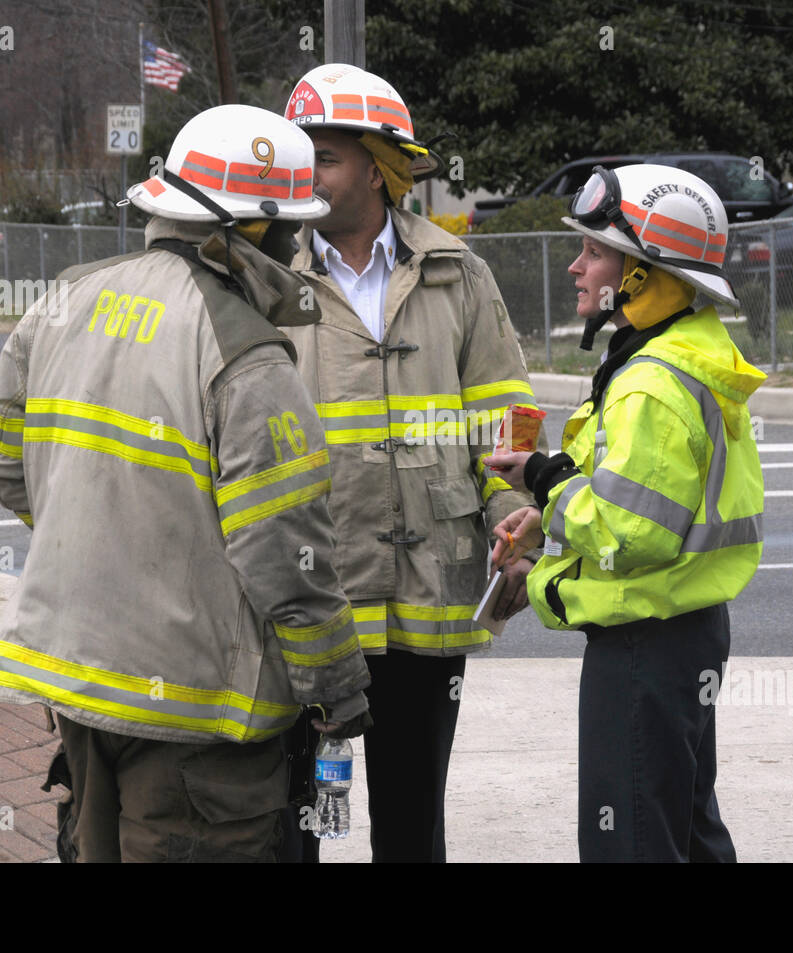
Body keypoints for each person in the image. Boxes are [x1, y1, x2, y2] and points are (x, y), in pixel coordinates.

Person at [0, 104, 371, 863]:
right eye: (290, 226)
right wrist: (335, 681)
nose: (298, 244)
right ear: (249, 231)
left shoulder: (64, 301)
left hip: (81, 690)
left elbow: (2, 464)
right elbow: (287, 551)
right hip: (199, 720)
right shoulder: (246, 351)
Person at [277, 63, 543, 863]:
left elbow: (505, 418)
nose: (307, 173)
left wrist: (517, 526)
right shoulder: (265, 275)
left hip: (429, 593)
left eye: (324, 156)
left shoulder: (458, 272)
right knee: (291, 819)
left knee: (412, 822)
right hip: (308, 592)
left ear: (379, 165)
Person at [485, 163, 766, 863]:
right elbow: (632, 490)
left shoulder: (650, 383)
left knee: (631, 844)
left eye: (595, 251)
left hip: (643, 642)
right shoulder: (677, 352)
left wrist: (543, 480)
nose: (578, 266)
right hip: (681, 631)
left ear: (642, 272)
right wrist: (546, 518)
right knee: (686, 833)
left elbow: (630, 529)